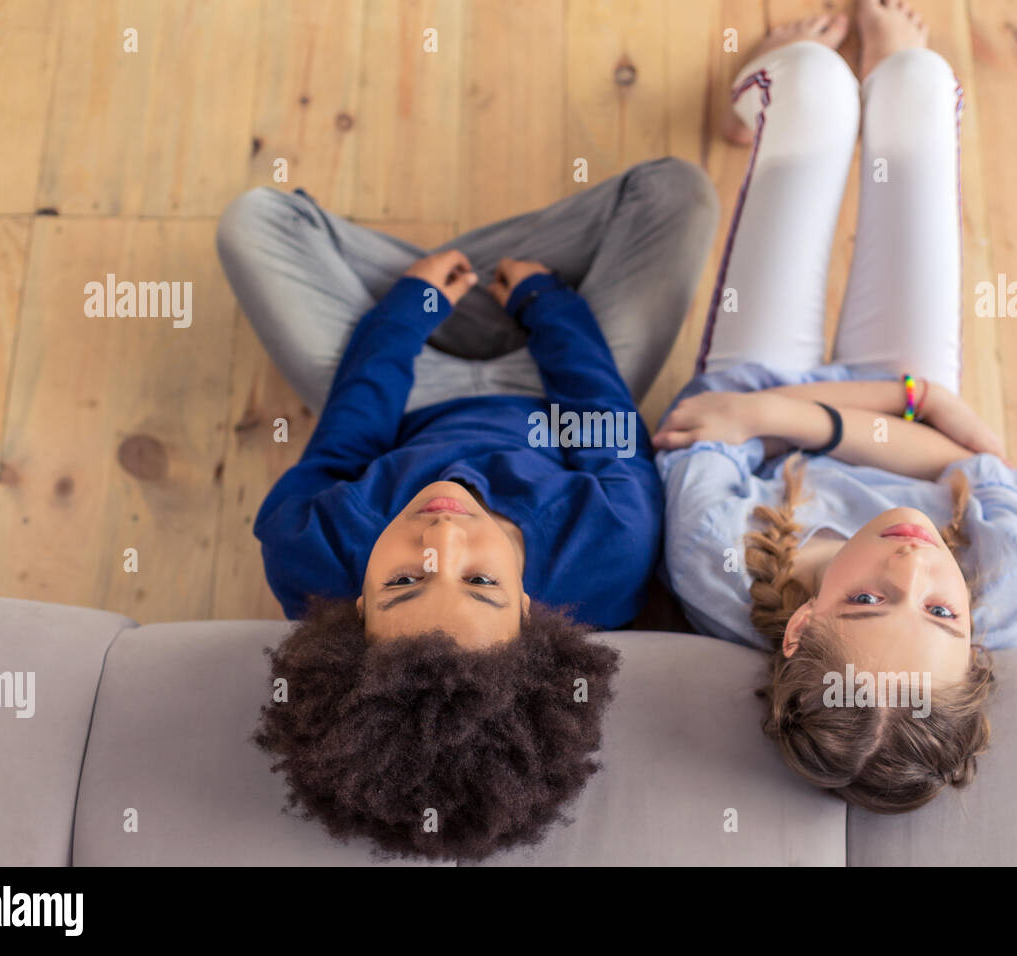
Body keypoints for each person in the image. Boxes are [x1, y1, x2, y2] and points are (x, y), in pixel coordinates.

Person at [215, 157, 718, 858]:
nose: (443, 539)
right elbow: (599, 416)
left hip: (405, 391)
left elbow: (345, 435)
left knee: (257, 221)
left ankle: (446, 277)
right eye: (481, 582)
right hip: (554, 386)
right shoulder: (612, 545)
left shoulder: (309, 554)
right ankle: (500, 275)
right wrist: (544, 302)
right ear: (530, 613)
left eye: (402, 582)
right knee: (677, 192)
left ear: (357, 607)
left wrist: (410, 308)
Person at [654, 1, 1017, 812]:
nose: (912, 562)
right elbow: (972, 455)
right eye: (944, 611)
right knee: (920, 80)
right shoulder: (1016, 579)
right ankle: (885, 75)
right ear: (977, 642)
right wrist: (888, 402)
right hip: (848, 397)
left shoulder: (716, 562)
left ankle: (754, 100)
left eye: (870, 599)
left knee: (810, 84)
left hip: (772, 379)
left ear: (801, 626)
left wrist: (904, 414)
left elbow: (718, 415)